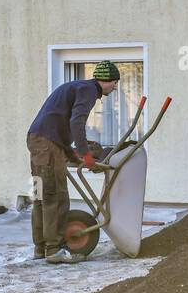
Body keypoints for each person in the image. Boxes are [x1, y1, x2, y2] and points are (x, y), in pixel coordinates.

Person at [26, 61, 121, 263]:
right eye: (115, 83)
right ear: (107, 81)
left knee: (40, 195)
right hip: (47, 145)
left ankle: (41, 248)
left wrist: (71, 156)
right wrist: (87, 156)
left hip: (38, 140)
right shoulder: (88, 91)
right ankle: (53, 250)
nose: (115, 88)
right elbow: (76, 123)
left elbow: (63, 129)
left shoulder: (79, 87)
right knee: (55, 196)